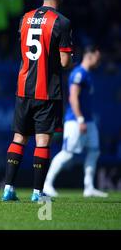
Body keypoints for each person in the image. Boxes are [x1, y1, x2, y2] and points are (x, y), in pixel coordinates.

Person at [1, 0, 73, 202]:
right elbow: (64, 62)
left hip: (24, 87)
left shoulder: (25, 18)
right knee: (42, 141)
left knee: (19, 138)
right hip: (47, 90)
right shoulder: (62, 22)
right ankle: (36, 193)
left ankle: (8, 189)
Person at [44, 46, 108, 198]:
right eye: (97, 58)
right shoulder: (79, 73)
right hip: (75, 120)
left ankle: (89, 187)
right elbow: (73, 97)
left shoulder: (88, 74)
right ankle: (47, 183)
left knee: (94, 150)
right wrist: (79, 119)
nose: (99, 62)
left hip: (89, 120)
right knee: (67, 153)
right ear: (89, 56)